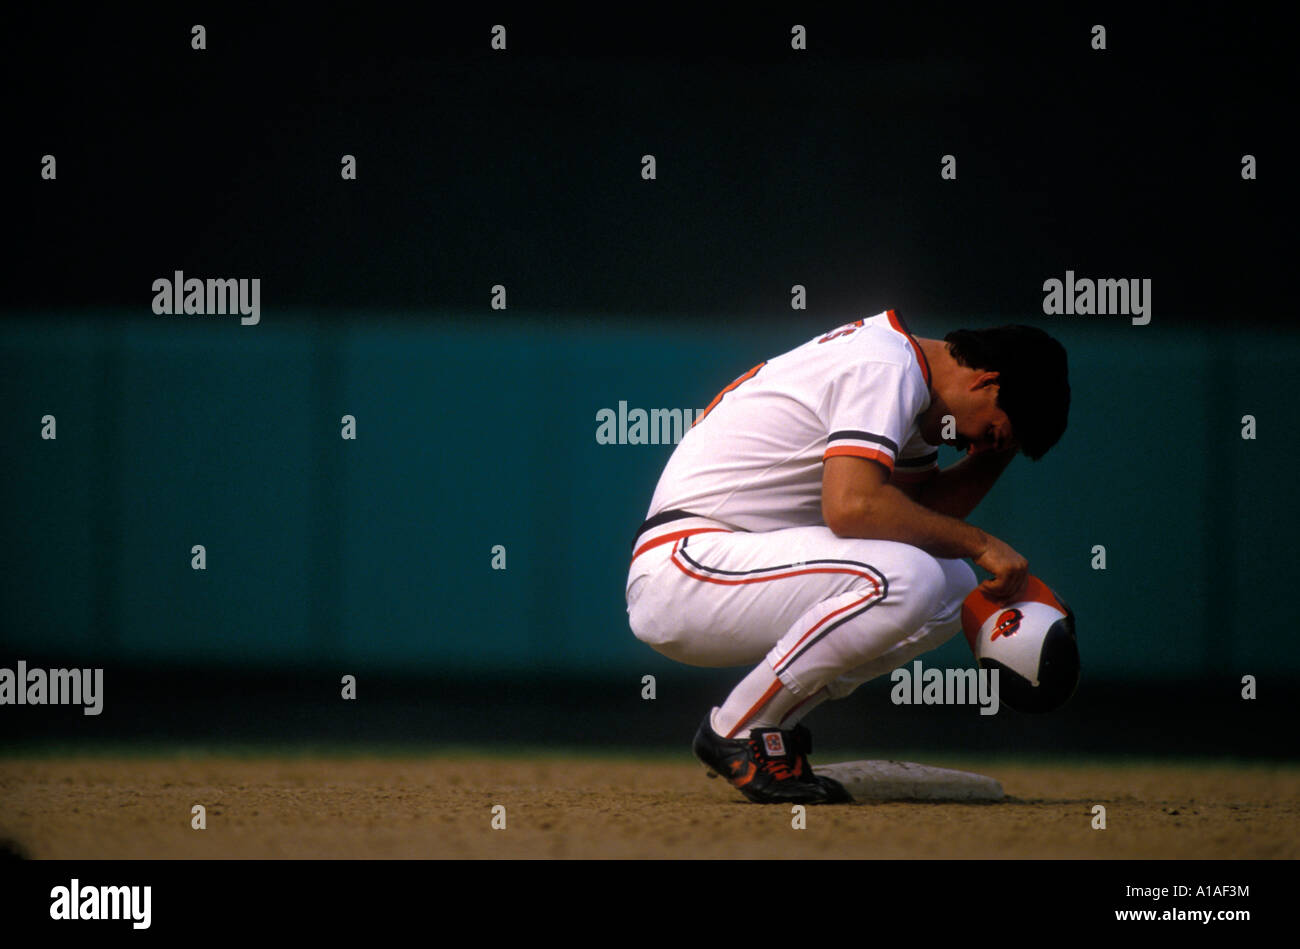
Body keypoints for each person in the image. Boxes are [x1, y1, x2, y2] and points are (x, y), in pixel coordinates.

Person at [625, 310, 1070, 803]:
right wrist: (984, 543)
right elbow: (853, 509)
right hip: (687, 565)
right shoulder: (884, 364)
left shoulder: (914, 390)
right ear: (988, 381)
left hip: (730, 564)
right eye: (992, 433)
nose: (977, 445)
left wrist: (996, 454)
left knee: (951, 586)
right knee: (910, 578)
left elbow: (916, 521)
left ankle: (773, 728)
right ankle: (737, 730)